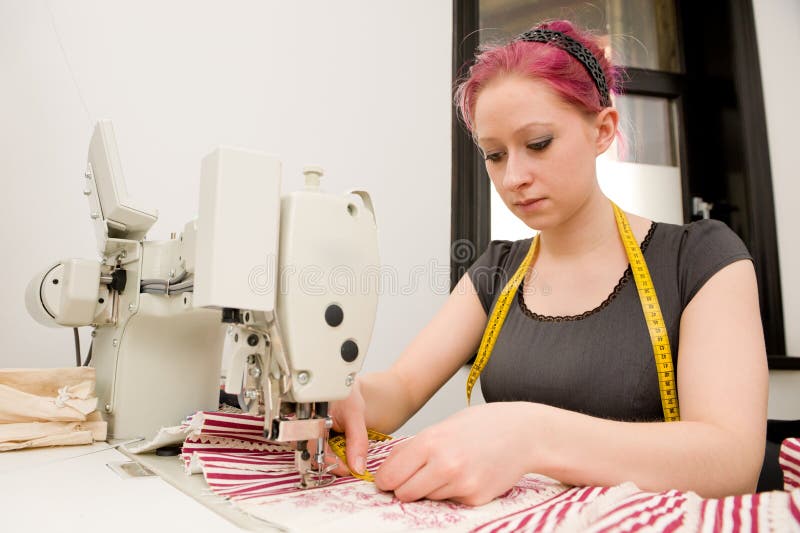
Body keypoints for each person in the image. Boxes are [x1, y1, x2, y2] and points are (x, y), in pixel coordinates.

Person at [327, 20, 768, 506]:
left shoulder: (701, 260)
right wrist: (339, 390)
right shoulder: (496, 272)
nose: (514, 176)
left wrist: (530, 434)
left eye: (538, 144)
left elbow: (732, 460)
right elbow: (403, 387)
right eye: (494, 155)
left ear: (603, 131)